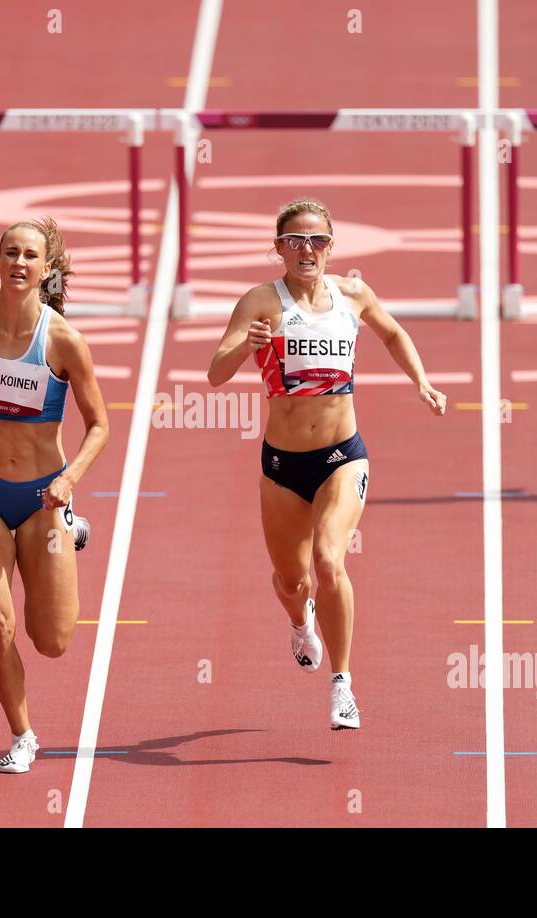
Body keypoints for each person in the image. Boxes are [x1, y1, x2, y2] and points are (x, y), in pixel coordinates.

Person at [208, 198, 447, 730]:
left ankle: (343, 686)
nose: (307, 250)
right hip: (282, 466)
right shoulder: (259, 302)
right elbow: (215, 374)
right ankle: (300, 621)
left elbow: (392, 333)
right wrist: (246, 346)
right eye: (295, 240)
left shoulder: (353, 295)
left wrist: (422, 382)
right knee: (291, 581)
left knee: (328, 559)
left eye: (317, 240)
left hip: (343, 456)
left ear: (331, 247)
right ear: (279, 249)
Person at [0, 218, 109, 773]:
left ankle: (72, 529)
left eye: (31, 255)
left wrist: (68, 480)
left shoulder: (63, 341)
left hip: (44, 499)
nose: (19, 263)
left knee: (51, 639)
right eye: (11, 252)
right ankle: (22, 734)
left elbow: (99, 425)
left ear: (45, 269)